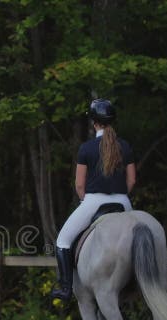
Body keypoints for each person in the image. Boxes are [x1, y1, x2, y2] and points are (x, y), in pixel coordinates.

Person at [50, 99, 136, 301]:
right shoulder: (125, 146)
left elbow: (79, 185)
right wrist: (121, 195)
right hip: (123, 202)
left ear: (94, 123)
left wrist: (85, 201)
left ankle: (65, 288)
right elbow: (132, 180)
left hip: (93, 201)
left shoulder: (86, 148)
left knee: (62, 241)